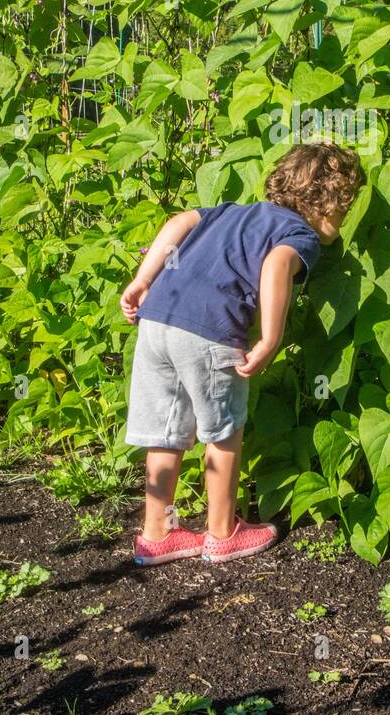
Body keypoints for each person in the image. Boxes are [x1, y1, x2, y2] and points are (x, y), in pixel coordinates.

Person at [119, 141, 364, 565]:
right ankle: (222, 533)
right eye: (346, 204)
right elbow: (275, 267)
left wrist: (143, 279)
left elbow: (178, 222)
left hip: (157, 317)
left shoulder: (230, 211)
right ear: (328, 204)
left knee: (166, 429)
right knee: (224, 431)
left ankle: (157, 534)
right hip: (209, 330)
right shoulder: (298, 234)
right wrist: (270, 338)